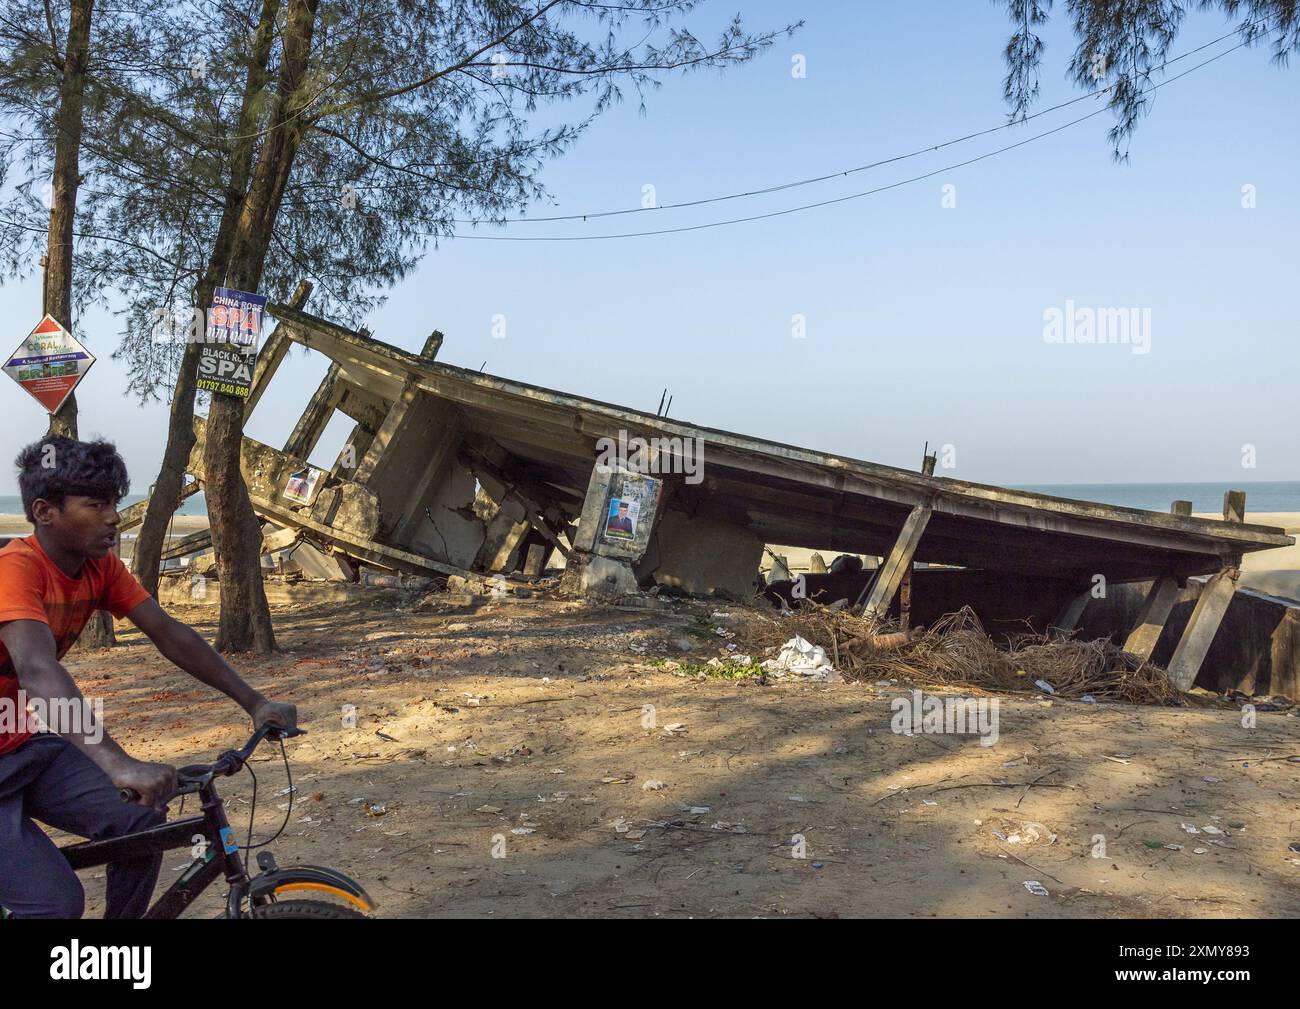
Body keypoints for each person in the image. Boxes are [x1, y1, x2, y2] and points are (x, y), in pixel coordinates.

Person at [0, 436, 297, 918]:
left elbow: (169, 633)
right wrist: (118, 763)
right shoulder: (14, 569)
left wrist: (255, 701)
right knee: (54, 905)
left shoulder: (100, 568)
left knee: (140, 817)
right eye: (95, 504)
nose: (114, 516)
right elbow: (37, 669)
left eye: (114, 503)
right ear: (43, 511)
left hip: (19, 749)